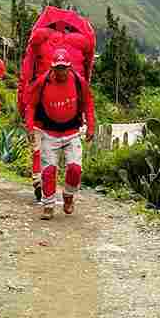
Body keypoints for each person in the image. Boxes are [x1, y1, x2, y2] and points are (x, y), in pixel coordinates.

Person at [23, 48, 95, 219]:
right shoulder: (43, 82)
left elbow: (88, 104)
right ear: (52, 67)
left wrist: (91, 126)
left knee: (75, 169)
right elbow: (31, 106)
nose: (60, 72)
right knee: (48, 171)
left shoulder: (78, 82)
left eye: (63, 68)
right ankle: (48, 205)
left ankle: (68, 195)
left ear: (69, 67)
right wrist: (30, 127)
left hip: (72, 132)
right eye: (57, 68)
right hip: (49, 133)